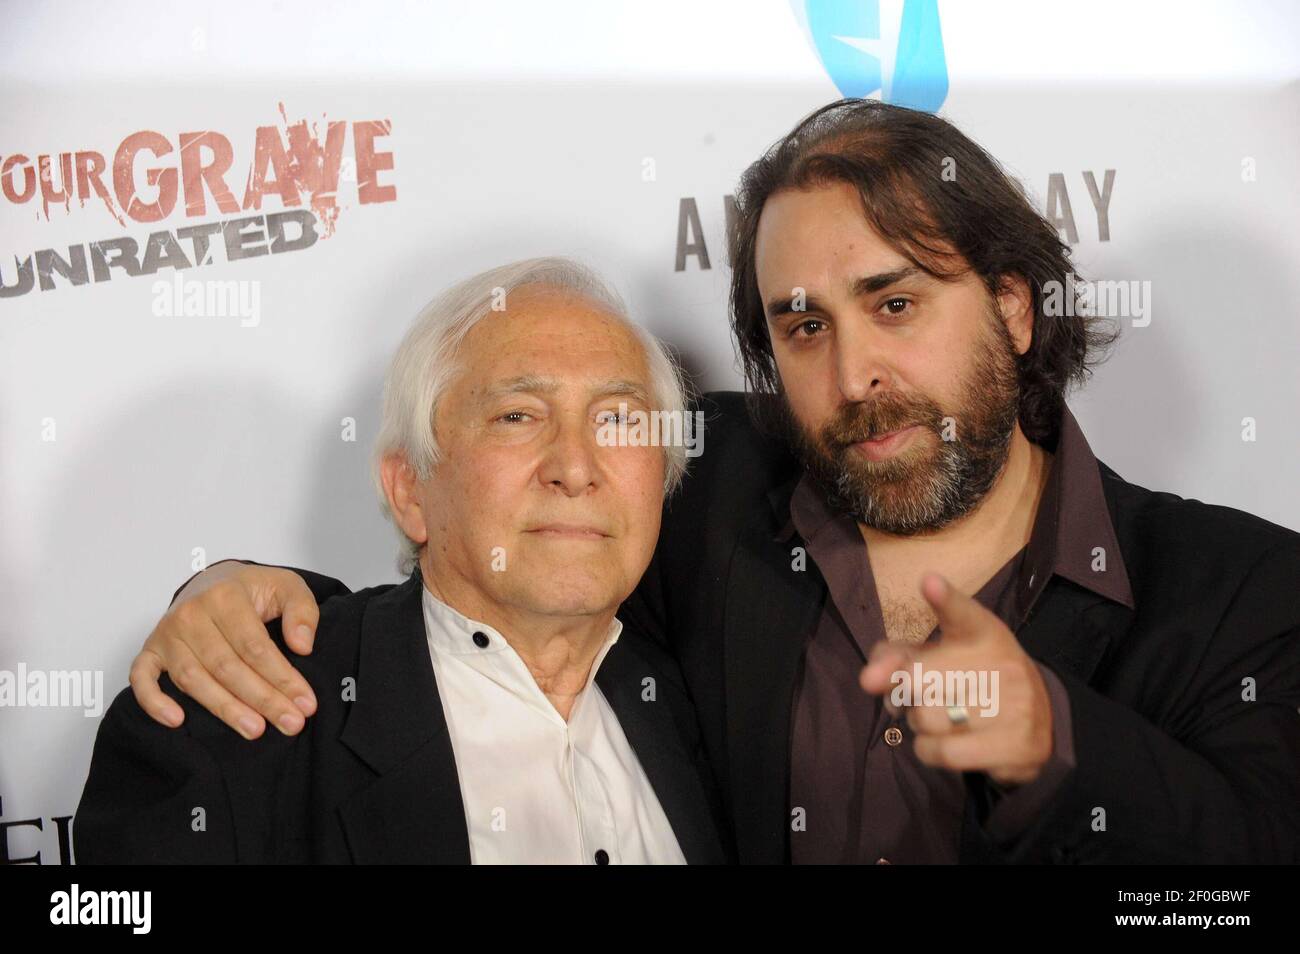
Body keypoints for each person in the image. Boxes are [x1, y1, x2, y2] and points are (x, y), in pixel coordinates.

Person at [121, 100, 1300, 863]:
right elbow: (503, 559)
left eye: (895, 303)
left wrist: (1055, 745)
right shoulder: (709, 493)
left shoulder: (1243, 593)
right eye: (801, 327)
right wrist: (241, 593)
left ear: (1009, 304)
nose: (854, 376)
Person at [75, 258, 730, 864]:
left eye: (618, 420)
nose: (576, 467)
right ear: (409, 488)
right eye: (517, 416)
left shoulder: (705, 695)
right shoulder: (224, 733)